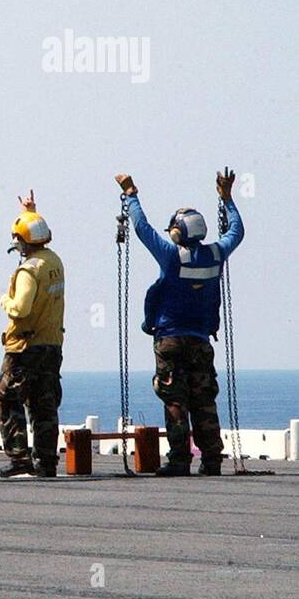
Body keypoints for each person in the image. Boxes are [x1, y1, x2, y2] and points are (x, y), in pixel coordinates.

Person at [114, 169, 243, 476]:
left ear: (178, 231)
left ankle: (179, 459)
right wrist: (227, 200)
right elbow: (236, 232)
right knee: (203, 399)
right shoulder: (216, 254)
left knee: (175, 399)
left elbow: (143, 229)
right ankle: (212, 459)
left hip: (170, 338)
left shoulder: (172, 256)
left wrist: (131, 195)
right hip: (200, 339)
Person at [0, 190, 66, 477]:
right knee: (44, 403)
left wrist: (4, 301)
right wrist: (32, 212)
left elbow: (21, 309)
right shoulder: (54, 262)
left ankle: (19, 456)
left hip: (24, 348)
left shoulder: (28, 270)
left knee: (7, 398)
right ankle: (46, 461)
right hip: (51, 344)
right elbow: (35, 234)